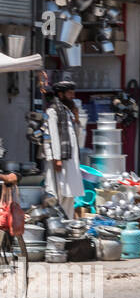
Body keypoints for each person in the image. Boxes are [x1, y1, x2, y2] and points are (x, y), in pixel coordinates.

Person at [41, 80, 84, 219]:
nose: (73, 96)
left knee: (70, 193)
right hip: (59, 161)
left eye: (73, 93)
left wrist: (77, 119)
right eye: (70, 93)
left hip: (71, 160)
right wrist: (57, 158)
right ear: (61, 94)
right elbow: (53, 136)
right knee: (59, 193)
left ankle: (69, 223)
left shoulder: (68, 112)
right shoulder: (53, 111)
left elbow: (77, 137)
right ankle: (58, 225)